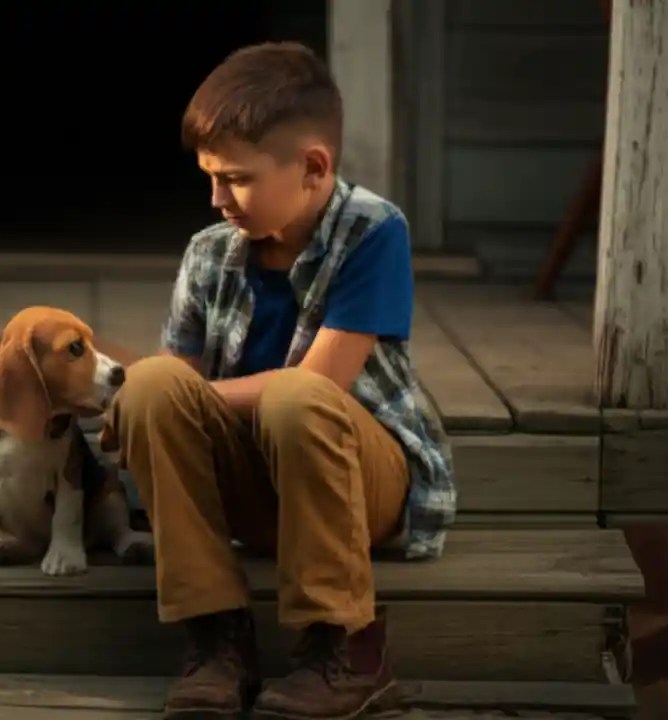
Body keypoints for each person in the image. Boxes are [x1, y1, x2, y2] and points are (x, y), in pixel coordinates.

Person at [98, 42, 456, 719]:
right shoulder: (209, 251)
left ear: (313, 167)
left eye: (235, 178)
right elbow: (175, 383)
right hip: (257, 483)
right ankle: (216, 635)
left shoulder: (373, 231)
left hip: (356, 481)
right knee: (146, 387)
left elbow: (322, 381)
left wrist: (185, 397)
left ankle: (343, 644)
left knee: (296, 394)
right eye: (208, 178)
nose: (216, 198)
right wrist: (137, 398)